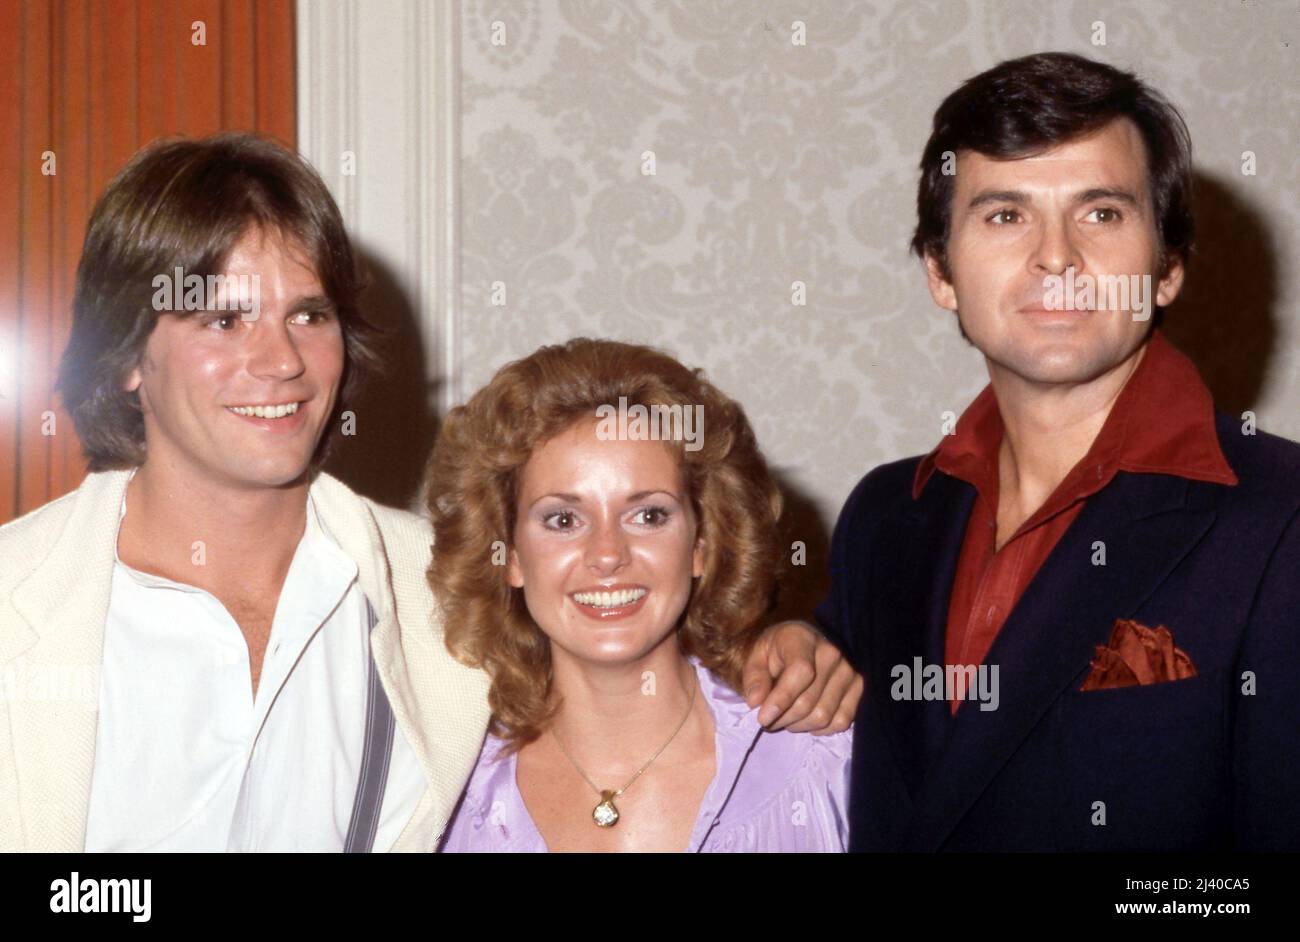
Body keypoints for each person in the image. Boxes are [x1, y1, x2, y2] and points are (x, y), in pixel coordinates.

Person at [0, 133, 850, 852]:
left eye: (309, 313)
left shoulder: (440, 594)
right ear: (120, 358)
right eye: (223, 319)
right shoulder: (20, 601)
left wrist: (786, 642)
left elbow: (623, 630)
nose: (282, 361)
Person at [814, 52, 1300, 851]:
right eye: (1005, 215)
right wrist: (793, 645)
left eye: (1101, 213)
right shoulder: (885, 515)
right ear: (940, 270)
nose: (1057, 257)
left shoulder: (1282, 519)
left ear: (1167, 267)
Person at [434, 339, 852, 852]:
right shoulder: (442, 790)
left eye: (649, 515)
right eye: (563, 519)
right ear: (512, 556)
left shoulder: (826, 765)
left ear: (702, 543)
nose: (607, 555)